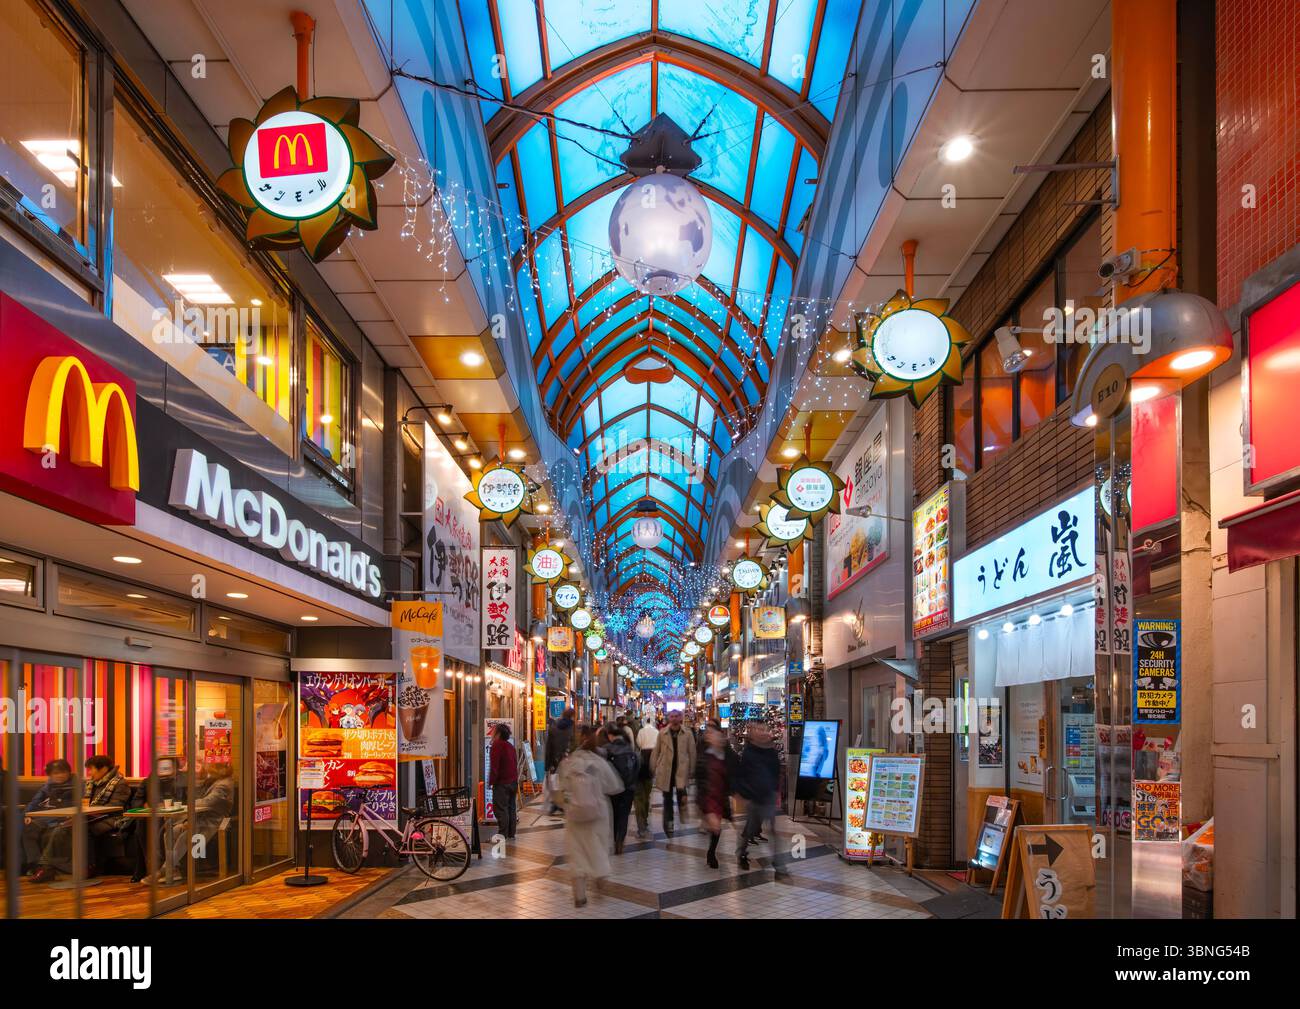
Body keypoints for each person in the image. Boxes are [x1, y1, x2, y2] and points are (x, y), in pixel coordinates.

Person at [30, 755, 131, 882]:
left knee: (82, 828)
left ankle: (88, 866)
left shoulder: (120, 783)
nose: (89, 772)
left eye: (91, 769)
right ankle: (47, 867)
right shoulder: (92, 783)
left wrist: (87, 815)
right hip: (91, 817)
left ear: (104, 769)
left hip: (113, 818)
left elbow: (116, 807)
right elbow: (84, 803)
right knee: (59, 829)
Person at [555, 725, 625, 907]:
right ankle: (600, 877)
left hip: (575, 815)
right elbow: (615, 786)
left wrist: (567, 804)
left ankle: (579, 893)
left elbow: (558, 792)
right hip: (598, 814)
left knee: (577, 852)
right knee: (598, 848)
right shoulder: (599, 762)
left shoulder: (567, 763)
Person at [734, 724, 781, 869]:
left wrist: (775, 790)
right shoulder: (748, 752)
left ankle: (779, 864)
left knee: (772, 831)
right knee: (750, 830)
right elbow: (741, 774)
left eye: (764, 730)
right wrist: (744, 793)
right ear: (753, 735)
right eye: (759, 730)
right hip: (754, 796)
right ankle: (742, 852)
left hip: (768, 797)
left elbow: (776, 771)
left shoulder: (771, 751)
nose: (762, 733)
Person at [696, 724, 740, 868]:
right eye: (709, 734)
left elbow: (733, 774)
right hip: (709, 797)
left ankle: (711, 852)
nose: (712, 737)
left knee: (717, 828)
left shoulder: (727, 755)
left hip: (721, 797)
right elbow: (700, 781)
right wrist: (704, 808)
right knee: (715, 825)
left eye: (713, 734)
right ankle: (711, 855)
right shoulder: (704, 756)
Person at [21, 759, 74, 874]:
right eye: (55, 773)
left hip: (68, 817)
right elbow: (35, 801)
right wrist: (27, 814)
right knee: (28, 827)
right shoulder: (48, 786)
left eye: (63, 772)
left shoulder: (77, 785)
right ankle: (35, 864)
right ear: (50, 775)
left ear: (69, 772)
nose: (60, 775)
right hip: (50, 817)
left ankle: (46, 866)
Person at [650, 710, 696, 836]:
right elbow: (656, 751)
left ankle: (682, 816)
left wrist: (692, 769)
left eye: (677, 716)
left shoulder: (687, 733)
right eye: (672, 716)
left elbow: (692, 752)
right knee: (667, 799)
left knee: (682, 797)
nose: (674, 719)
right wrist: (653, 767)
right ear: (668, 718)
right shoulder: (662, 733)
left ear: (680, 718)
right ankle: (668, 822)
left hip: (681, 770)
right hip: (667, 771)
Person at [601, 722, 638, 855]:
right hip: (629, 788)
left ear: (610, 735)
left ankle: (614, 838)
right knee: (624, 815)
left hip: (613, 788)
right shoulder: (629, 748)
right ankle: (620, 840)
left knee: (614, 813)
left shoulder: (607, 749)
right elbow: (636, 767)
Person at [489, 722, 519, 841]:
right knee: (511, 808)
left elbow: (494, 767)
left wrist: (491, 781)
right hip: (513, 781)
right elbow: (515, 763)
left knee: (501, 809)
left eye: (494, 731)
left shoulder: (497, 746)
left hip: (502, 783)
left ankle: (502, 834)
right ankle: (511, 833)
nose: (492, 734)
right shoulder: (510, 746)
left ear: (499, 734)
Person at [544, 708, 576, 815]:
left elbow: (549, 747)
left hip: (555, 761)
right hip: (568, 760)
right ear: (572, 716)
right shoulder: (573, 727)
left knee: (555, 783)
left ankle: (556, 803)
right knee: (566, 783)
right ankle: (561, 804)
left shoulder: (554, 727)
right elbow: (574, 745)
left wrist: (547, 764)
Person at [633, 716, 659, 839]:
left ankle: (641, 823)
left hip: (642, 759)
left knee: (639, 796)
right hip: (652, 759)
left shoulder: (641, 732)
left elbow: (638, 743)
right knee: (647, 793)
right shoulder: (656, 732)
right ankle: (645, 819)